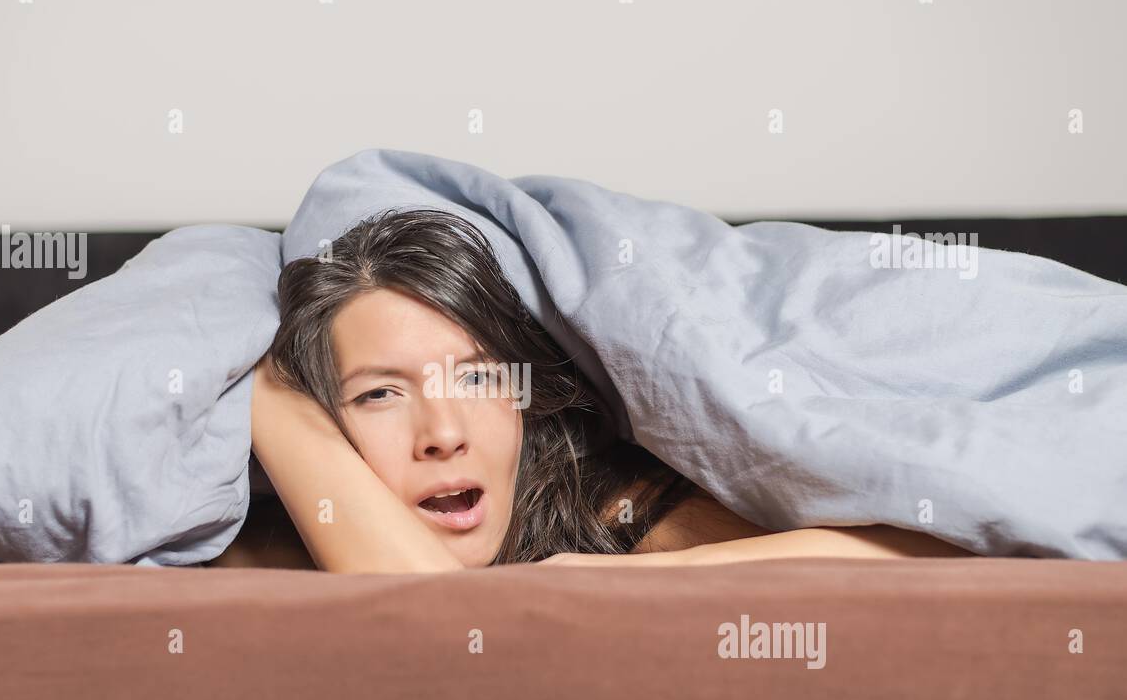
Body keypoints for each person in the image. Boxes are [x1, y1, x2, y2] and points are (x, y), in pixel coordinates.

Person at [209, 208, 973, 572]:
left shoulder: (605, 501)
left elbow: (916, 551)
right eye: (380, 394)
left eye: (478, 376)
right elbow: (426, 612)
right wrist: (271, 396)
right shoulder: (262, 538)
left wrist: (617, 573)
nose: (443, 431)